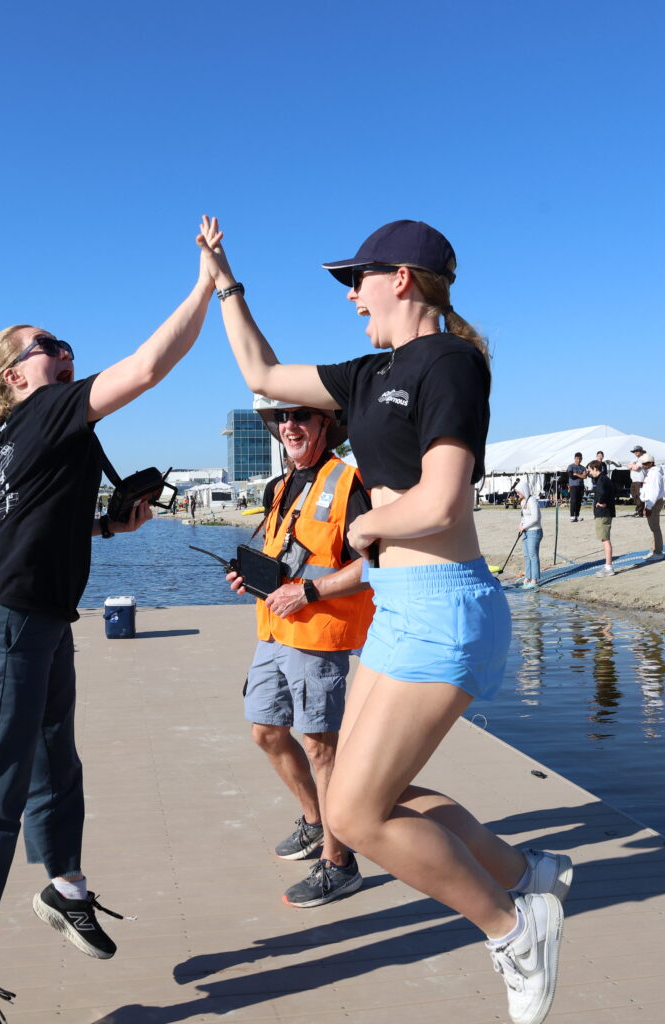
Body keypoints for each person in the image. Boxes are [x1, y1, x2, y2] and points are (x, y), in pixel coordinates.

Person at [202, 215, 571, 1024]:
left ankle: (515, 927)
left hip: (444, 604)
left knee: (357, 813)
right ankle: (526, 873)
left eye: (357, 281)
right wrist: (225, 284)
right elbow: (261, 372)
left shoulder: (450, 363)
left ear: (400, 278)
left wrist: (367, 525)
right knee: (364, 793)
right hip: (400, 608)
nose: (350, 297)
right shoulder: (369, 374)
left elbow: (442, 503)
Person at [0, 238, 215, 1022]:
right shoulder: (46, 410)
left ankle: (65, 888)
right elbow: (148, 368)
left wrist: (108, 525)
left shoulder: (36, 431)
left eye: (64, 343)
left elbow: (35, 524)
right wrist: (206, 287)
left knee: (58, 761)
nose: (64, 351)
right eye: (47, 345)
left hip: (44, 619)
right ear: (15, 375)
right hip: (9, 624)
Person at [240, 395, 374, 908]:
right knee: (267, 731)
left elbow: (376, 562)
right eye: (282, 417)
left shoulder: (349, 482)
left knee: (321, 747)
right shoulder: (281, 486)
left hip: (319, 634)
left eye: (301, 416)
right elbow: (286, 556)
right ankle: (317, 822)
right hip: (274, 629)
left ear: (324, 424)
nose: (289, 425)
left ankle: (340, 863)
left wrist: (310, 592)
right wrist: (250, 577)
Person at [588, 460, 616, 576]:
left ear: (595, 468)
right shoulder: (604, 478)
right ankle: (607, 566)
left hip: (603, 513)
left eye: (590, 470)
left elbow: (603, 493)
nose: (589, 473)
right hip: (606, 512)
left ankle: (609, 567)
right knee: (604, 539)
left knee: (605, 539)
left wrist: (601, 502)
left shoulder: (601, 479)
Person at [515, 481, 545, 588]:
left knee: (533, 555)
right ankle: (527, 577)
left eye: (518, 492)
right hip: (526, 531)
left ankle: (534, 580)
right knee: (527, 555)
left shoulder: (532, 501)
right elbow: (524, 517)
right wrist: (521, 524)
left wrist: (525, 526)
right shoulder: (523, 501)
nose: (517, 494)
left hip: (534, 531)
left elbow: (536, 518)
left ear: (524, 491)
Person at [637, 452, 665, 559]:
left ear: (651, 463)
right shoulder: (652, 472)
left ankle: (658, 552)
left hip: (654, 502)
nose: (643, 466)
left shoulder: (654, 474)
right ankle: (654, 550)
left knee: (655, 528)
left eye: (645, 464)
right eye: (643, 464)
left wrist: (648, 507)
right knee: (654, 528)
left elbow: (654, 492)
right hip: (652, 502)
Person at [626, 446, 647, 516]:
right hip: (634, 480)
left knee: (639, 496)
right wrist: (632, 466)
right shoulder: (634, 459)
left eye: (637, 451)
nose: (635, 452)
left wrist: (631, 466)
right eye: (634, 451)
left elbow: (636, 468)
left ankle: (640, 511)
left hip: (640, 480)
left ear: (641, 451)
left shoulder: (643, 459)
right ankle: (639, 510)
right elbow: (628, 466)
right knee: (634, 495)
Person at [565, 452, 586, 523]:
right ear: (574, 458)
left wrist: (576, 474)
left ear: (581, 459)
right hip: (573, 486)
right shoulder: (570, 466)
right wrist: (581, 475)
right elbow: (571, 476)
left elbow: (585, 477)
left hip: (581, 486)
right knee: (573, 501)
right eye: (577, 459)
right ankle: (572, 516)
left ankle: (577, 515)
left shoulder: (583, 467)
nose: (578, 460)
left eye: (580, 459)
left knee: (579, 501)